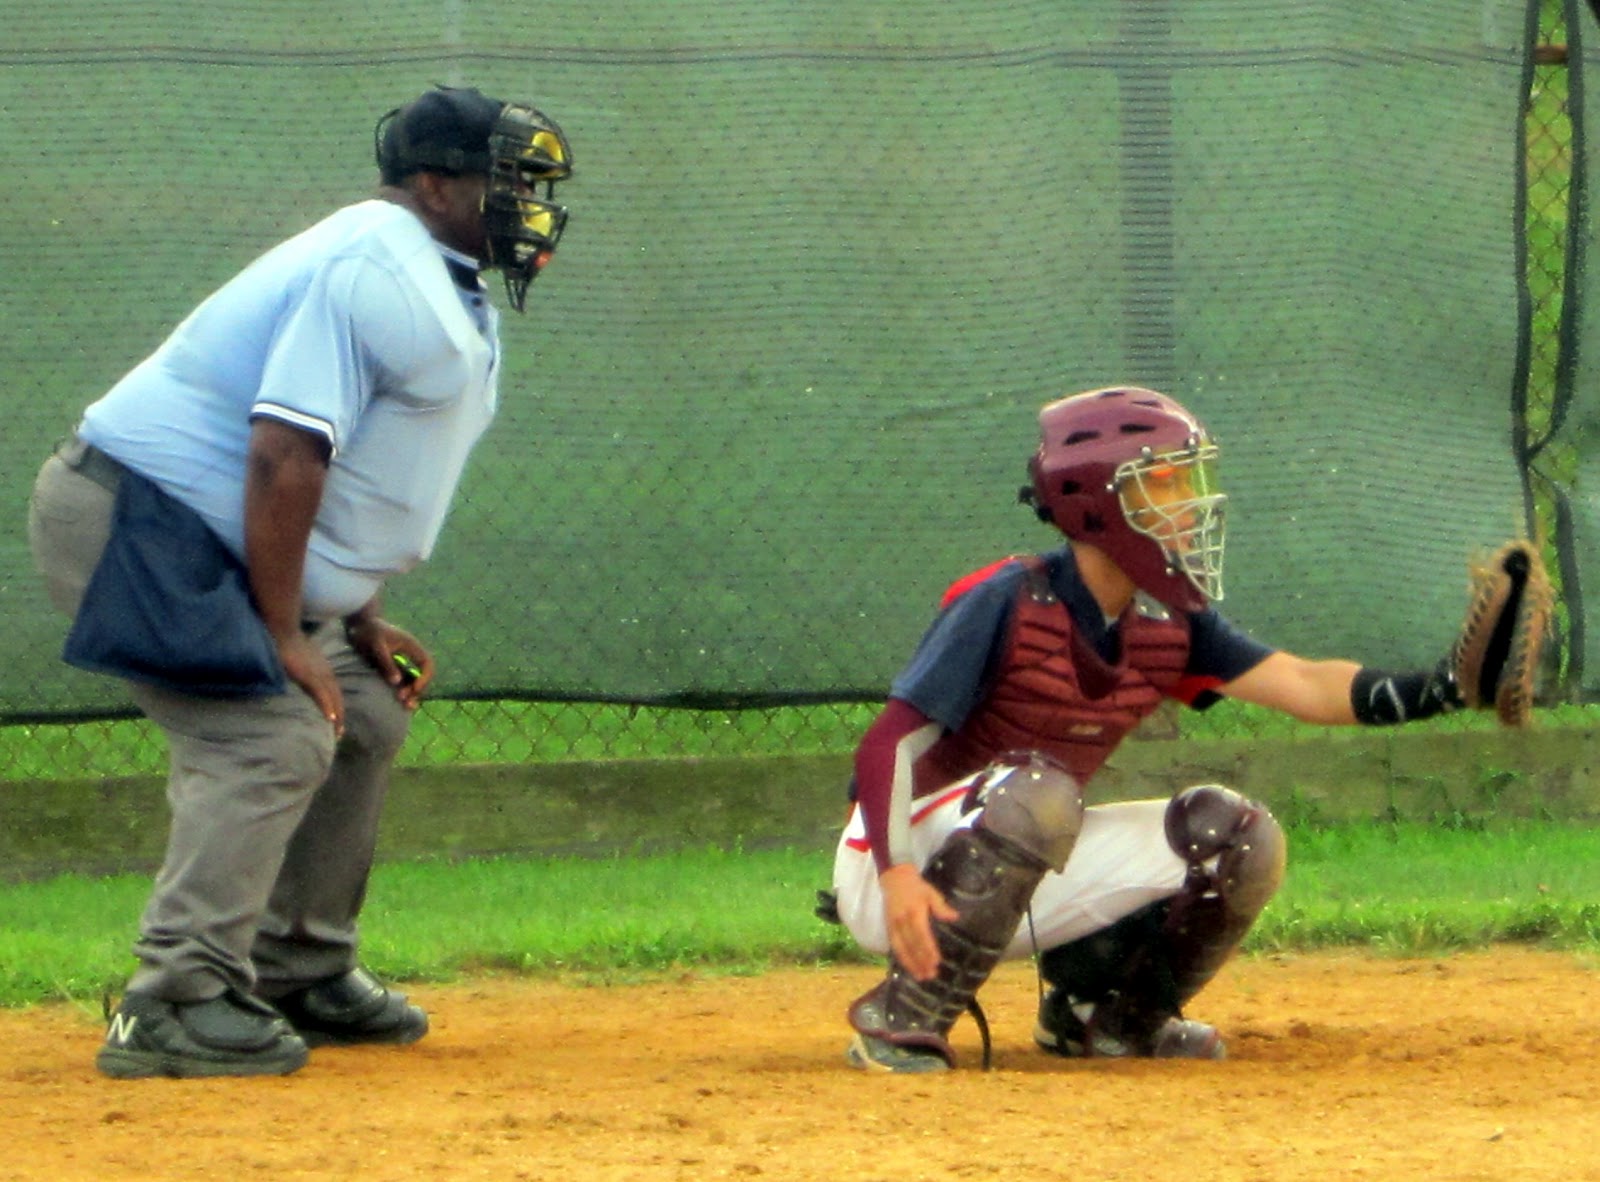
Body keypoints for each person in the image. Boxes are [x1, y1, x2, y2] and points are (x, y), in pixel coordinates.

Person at [26, 85, 574, 1079]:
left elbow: (352, 468)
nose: (527, 205)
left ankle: (293, 968)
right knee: (269, 731)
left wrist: (354, 611)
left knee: (363, 708)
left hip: (218, 534)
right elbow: (286, 453)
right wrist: (285, 633)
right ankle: (173, 997)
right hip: (140, 519)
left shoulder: (436, 275)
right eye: (506, 182)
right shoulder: (375, 268)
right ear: (433, 183)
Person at [831, 385, 1468, 1072]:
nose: (1190, 505)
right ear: (1097, 504)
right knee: (1041, 793)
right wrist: (896, 873)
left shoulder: (1167, 618)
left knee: (1237, 837)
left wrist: (1447, 688)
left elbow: (1305, 684)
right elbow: (886, 743)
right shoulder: (1006, 601)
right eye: (1164, 483)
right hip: (894, 863)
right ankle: (902, 1018)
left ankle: (1107, 1019)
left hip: (1023, 836)